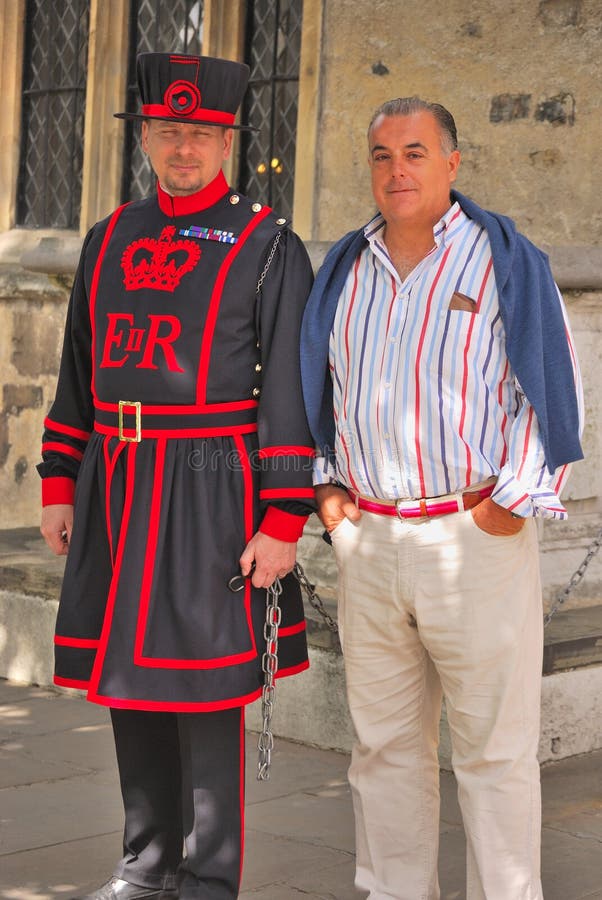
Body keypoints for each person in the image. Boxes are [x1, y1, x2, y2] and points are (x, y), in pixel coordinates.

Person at [39, 52, 315, 900]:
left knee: (203, 684)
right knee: (128, 678)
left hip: (210, 484)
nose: (183, 147)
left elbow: (291, 391)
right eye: (168, 130)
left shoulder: (267, 244)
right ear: (147, 138)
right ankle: (146, 867)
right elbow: (78, 368)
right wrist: (58, 480)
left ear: (229, 140)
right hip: (115, 480)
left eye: (200, 133)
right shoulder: (109, 235)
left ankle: (208, 879)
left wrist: (283, 518)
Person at [300, 96, 583, 899]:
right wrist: (327, 487)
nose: (398, 170)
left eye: (415, 153)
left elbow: (551, 388)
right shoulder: (347, 269)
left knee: (494, 752)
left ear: (452, 163)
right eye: (383, 155)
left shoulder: (502, 262)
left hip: (473, 539)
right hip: (371, 543)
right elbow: (317, 385)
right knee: (383, 749)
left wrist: (509, 505)